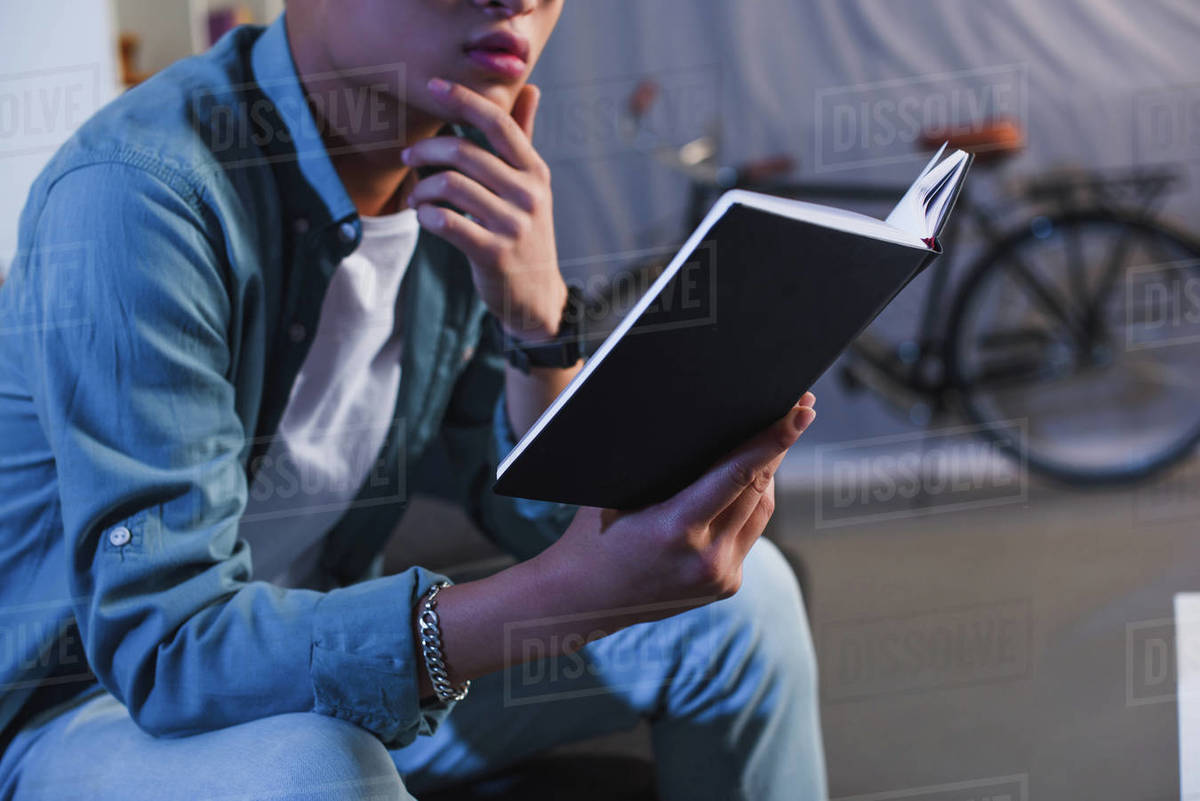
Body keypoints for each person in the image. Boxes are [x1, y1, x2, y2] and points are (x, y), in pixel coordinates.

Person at [0, 0, 826, 798]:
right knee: (315, 766)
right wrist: (561, 599)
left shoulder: (464, 174)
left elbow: (533, 506)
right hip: (76, 712)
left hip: (296, 646)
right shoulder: (143, 193)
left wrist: (538, 328)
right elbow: (168, 650)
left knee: (747, 606)